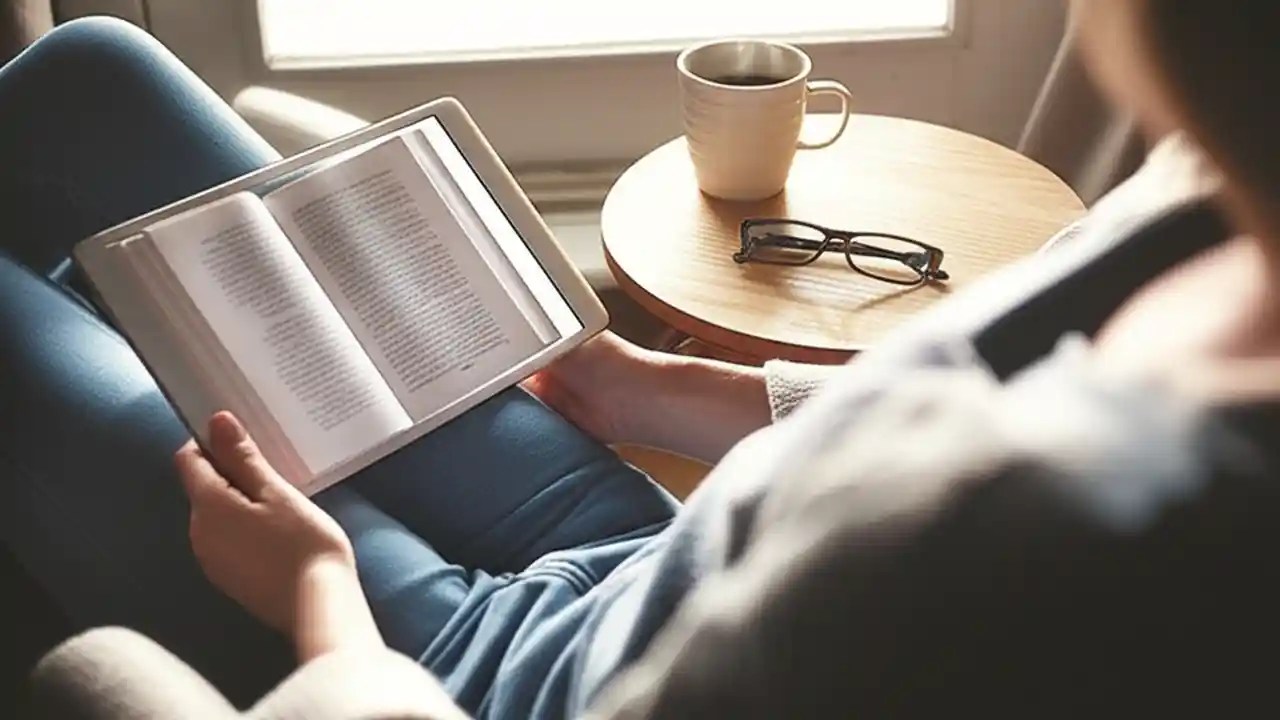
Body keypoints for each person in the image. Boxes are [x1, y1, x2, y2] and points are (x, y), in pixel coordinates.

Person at [2, 2, 1277, 717]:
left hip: (467, 682)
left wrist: (316, 595)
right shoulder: (1198, 187)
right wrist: (661, 389)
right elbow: (962, 387)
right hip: (645, 546)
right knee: (91, 77)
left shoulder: (1078, 541)